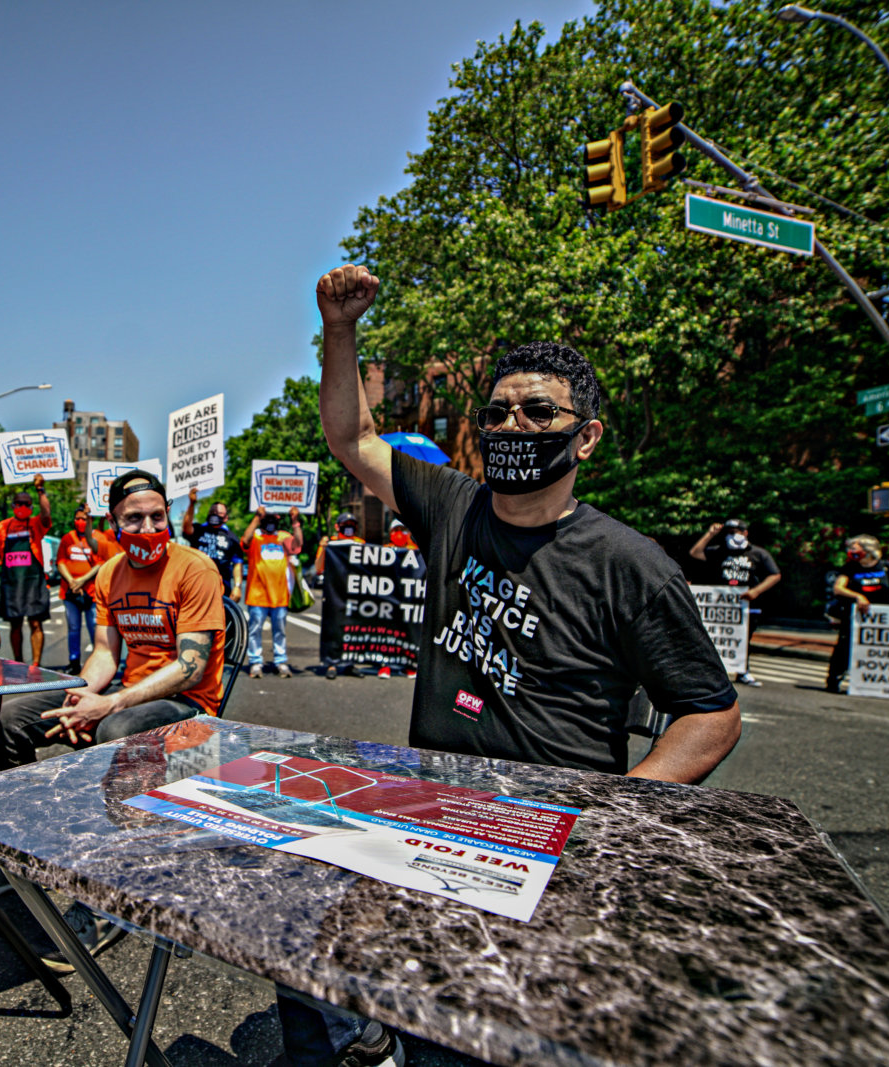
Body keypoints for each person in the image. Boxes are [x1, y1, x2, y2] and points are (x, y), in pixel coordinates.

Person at [316, 264, 742, 1067]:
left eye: (539, 411)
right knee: (300, 946)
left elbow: (711, 712)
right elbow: (353, 439)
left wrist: (607, 813)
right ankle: (370, 1043)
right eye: (501, 412)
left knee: (470, 1037)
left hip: (543, 844)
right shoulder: (453, 506)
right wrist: (340, 330)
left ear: (585, 436)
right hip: (426, 809)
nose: (516, 425)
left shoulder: (631, 564)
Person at [0, 469, 224, 971]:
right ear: (112, 521)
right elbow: (103, 654)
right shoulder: (108, 574)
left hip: (192, 711)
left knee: (113, 731)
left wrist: (110, 705)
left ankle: (106, 900)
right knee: (14, 716)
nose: (148, 527)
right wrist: (84, 695)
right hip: (127, 697)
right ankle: (19, 846)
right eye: (134, 518)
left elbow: (191, 668)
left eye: (157, 516)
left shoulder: (196, 570)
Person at [690, 518, 782, 687]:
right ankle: (715, 671)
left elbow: (774, 575)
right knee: (717, 637)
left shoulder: (758, 553)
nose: (733, 536)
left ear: (745, 533)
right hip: (722, 605)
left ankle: (742, 671)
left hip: (747, 605)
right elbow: (695, 553)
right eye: (729, 533)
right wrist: (710, 534)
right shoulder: (719, 551)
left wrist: (756, 591)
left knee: (743, 639)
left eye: (737, 532)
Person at [824, 534, 889, 693]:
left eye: (854, 548)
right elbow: (838, 588)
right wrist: (858, 596)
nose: (851, 551)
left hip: (882, 618)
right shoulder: (850, 568)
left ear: (867, 550)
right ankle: (834, 679)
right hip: (855, 616)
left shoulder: (887, 567)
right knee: (844, 648)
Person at [0, 473, 52, 666]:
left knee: (35, 623)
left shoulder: (35, 524)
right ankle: (18, 663)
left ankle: (35, 665)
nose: (22, 507)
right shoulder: (3, 526)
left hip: (34, 581)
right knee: (15, 625)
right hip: (11, 582)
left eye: (26, 504)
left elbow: (46, 514)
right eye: (19, 503)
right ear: (13, 506)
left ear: (31, 507)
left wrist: (40, 490)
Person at [240, 506, 302, 678]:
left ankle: (281, 661)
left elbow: (297, 546)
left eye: (274, 518)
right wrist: (256, 518)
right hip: (257, 594)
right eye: (267, 518)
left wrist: (295, 521)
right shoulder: (256, 537)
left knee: (280, 631)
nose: (270, 521)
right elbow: (245, 540)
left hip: (280, 595)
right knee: (255, 631)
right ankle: (255, 662)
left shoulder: (283, 537)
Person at [314, 512, 364, 679]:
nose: (349, 527)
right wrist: (323, 548)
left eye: (352, 523)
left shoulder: (361, 544)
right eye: (345, 523)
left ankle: (350, 664)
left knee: (354, 628)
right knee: (333, 629)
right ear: (338, 526)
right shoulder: (331, 544)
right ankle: (332, 664)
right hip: (334, 593)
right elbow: (319, 568)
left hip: (355, 594)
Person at [56, 507, 105, 673]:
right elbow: (61, 561)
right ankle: (74, 660)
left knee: (94, 627)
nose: (80, 522)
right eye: (77, 518)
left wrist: (82, 580)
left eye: (84, 519)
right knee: (73, 627)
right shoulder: (67, 538)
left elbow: (101, 563)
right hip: (70, 592)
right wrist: (71, 581)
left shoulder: (97, 538)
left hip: (92, 591)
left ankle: (97, 662)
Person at [182, 486, 245, 597]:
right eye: (212, 512)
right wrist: (192, 503)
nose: (214, 515)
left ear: (226, 517)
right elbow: (187, 528)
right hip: (195, 584)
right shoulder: (199, 530)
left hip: (221, 588)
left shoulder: (232, 537)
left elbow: (237, 564)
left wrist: (237, 586)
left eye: (219, 513)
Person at [376, 519, 418, 680]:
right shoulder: (384, 551)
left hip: (408, 601)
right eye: (396, 530)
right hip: (388, 600)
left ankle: (409, 665)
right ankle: (385, 665)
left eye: (403, 529)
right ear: (390, 533)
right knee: (387, 633)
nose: (400, 533)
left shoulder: (415, 552)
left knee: (408, 633)